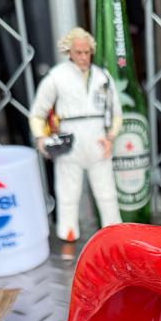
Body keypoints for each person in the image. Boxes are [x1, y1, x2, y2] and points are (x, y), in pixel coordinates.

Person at [29, 27, 123, 242]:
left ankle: (114, 231)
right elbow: (37, 113)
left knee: (107, 192)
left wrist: (111, 137)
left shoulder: (102, 77)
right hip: (70, 141)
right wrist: (41, 137)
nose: (83, 57)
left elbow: (117, 113)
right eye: (78, 52)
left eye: (87, 52)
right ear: (69, 52)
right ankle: (68, 231)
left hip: (98, 140)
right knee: (68, 192)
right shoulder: (56, 77)